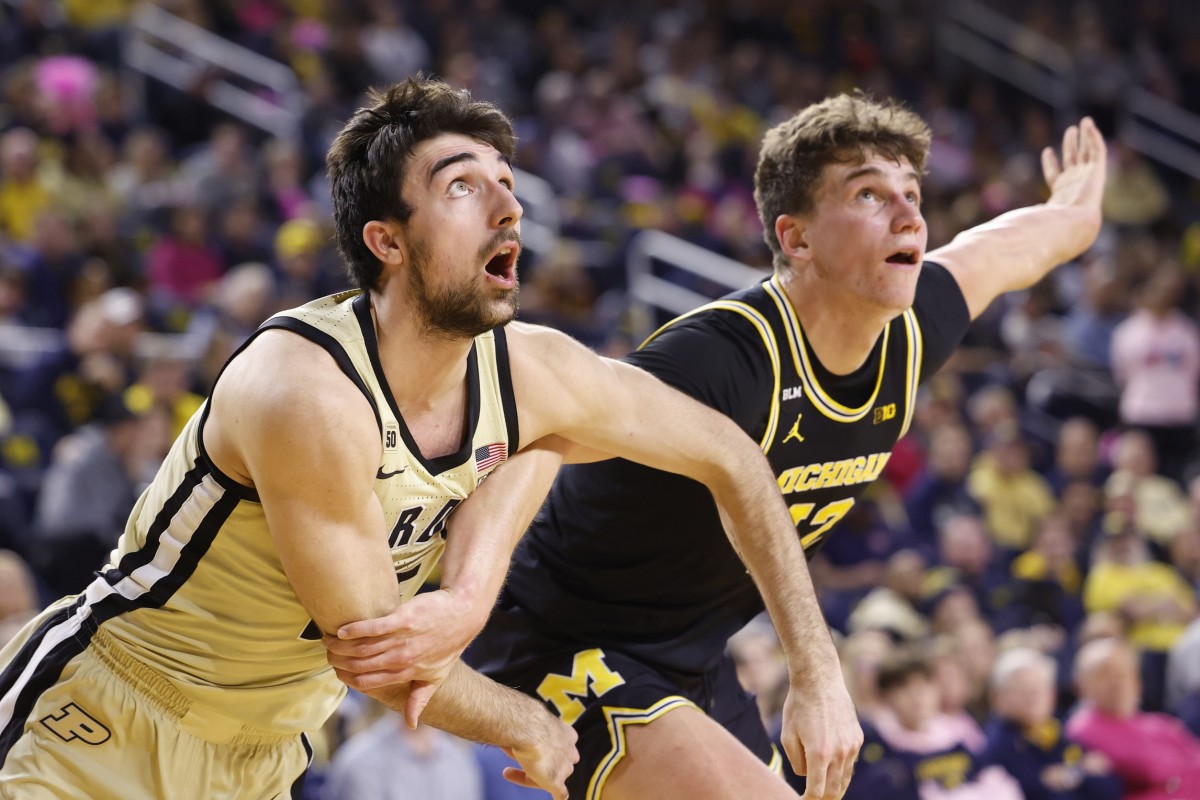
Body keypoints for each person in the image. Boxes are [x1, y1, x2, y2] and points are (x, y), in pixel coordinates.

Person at [0, 77, 852, 799]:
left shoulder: (534, 372)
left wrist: (816, 671)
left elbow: (734, 456)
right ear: (388, 242)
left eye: (506, 181)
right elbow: (379, 657)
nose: (509, 206)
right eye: (462, 187)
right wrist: (527, 723)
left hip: (266, 753)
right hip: (108, 716)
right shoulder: (308, 392)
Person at [331, 93, 1107, 799]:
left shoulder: (914, 327)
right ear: (796, 237)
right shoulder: (724, 356)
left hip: (692, 653)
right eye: (870, 194)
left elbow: (1009, 247)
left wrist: (1075, 207)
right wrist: (464, 600)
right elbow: (542, 434)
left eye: (912, 193)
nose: (908, 217)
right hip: (562, 632)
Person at [1066, 637, 1200, 799]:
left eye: (1124, 672)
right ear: (1081, 685)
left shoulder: (1159, 723)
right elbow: (1152, 768)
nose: (1117, 682)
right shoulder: (1083, 728)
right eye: (1104, 674)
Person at [980, 647, 1120, 800]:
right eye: (1022, 690)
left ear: (1052, 696)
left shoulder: (1055, 730)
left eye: (1038, 689)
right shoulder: (999, 744)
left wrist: (1068, 775)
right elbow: (1041, 794)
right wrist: (1082, 771)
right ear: (999, 698)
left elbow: (1110, 786)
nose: (1032, 697)